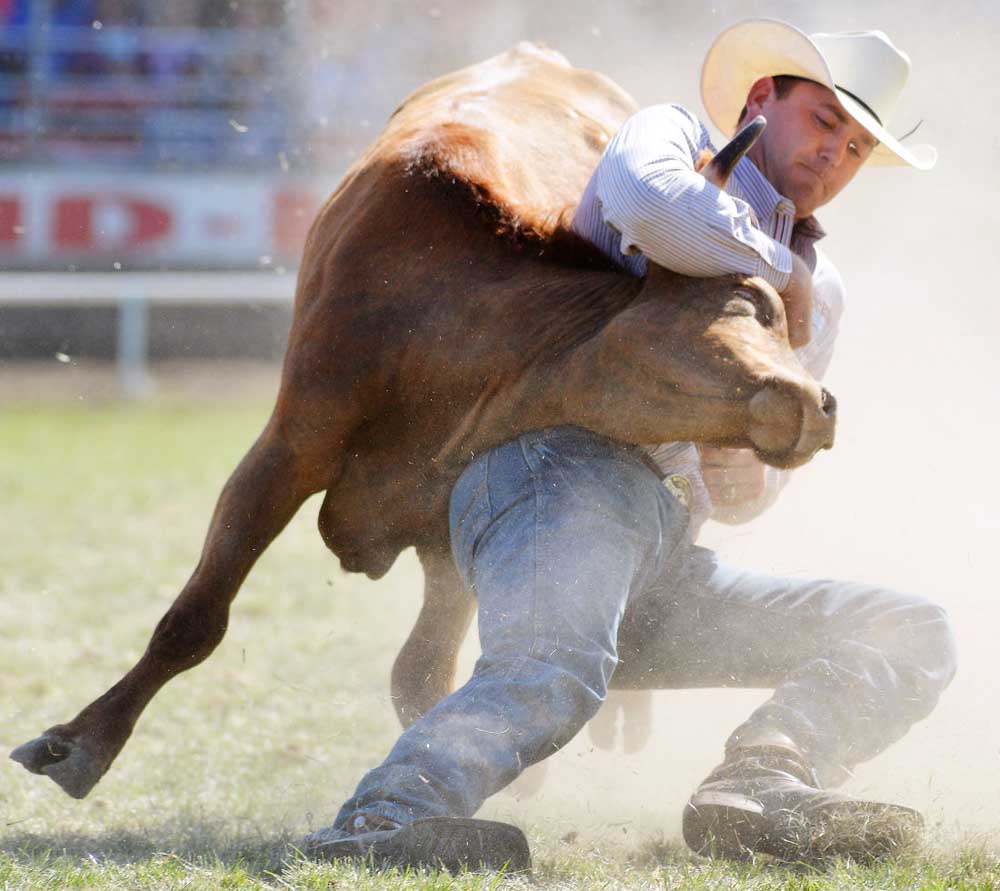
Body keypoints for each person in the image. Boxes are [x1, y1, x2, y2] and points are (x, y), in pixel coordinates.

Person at [304, 19, 956, 869]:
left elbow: (752, 493)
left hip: (660, 539)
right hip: (555, 471)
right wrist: (781, 268)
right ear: (763, 98)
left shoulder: (823, 292)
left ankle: (764, 777)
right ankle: (385, 815)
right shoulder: (671, 138)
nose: (836, 152)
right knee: (554, 668)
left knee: (914, 631)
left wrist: (742, 466)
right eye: (826, 121)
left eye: (859, 146)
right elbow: (658, 209)